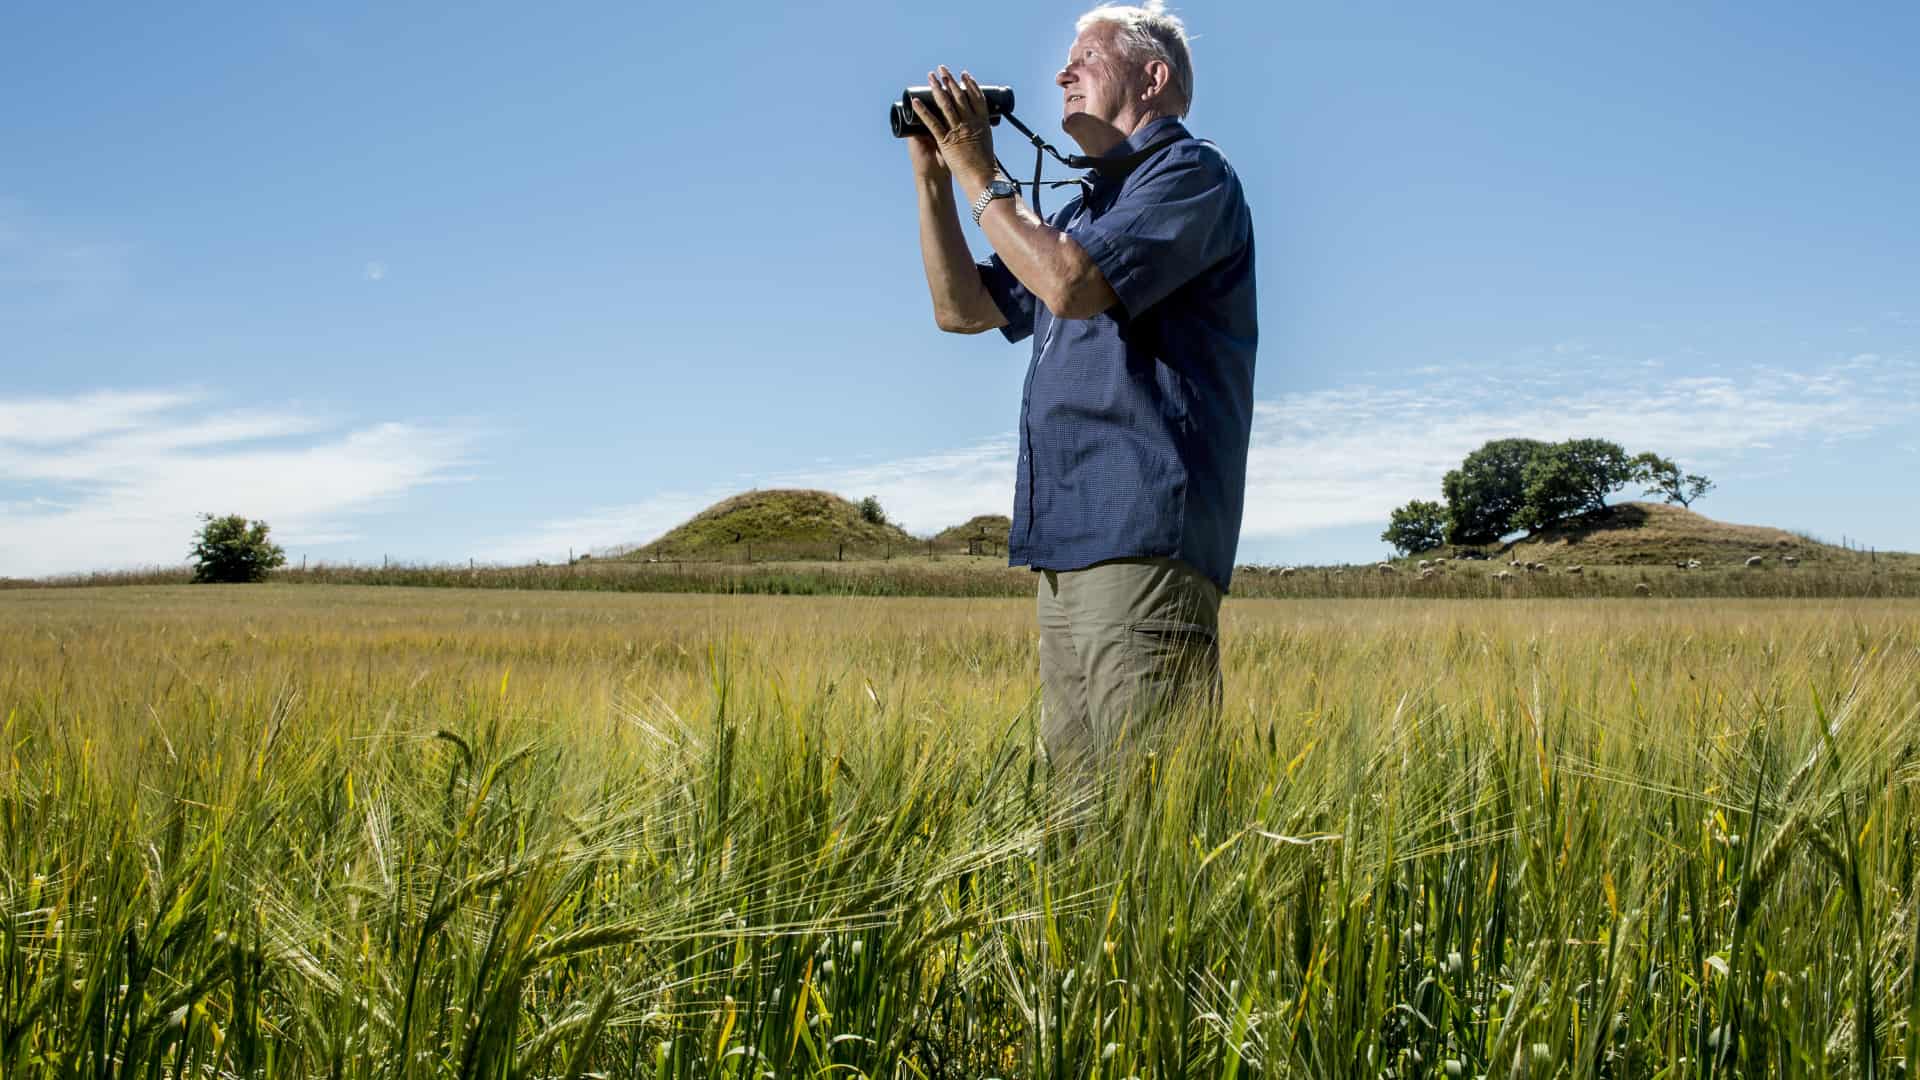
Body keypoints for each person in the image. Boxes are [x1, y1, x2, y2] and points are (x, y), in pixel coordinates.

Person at [906, 1, 1257, 772]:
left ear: (1153, 77)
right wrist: (936, 182)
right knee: (1078, 823)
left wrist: (981, 171)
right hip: (1067, 550)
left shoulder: (1190, 175)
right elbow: (961, 310)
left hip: (1141, 539)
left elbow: (1069, 284)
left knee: (1149, 817)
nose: (1062, 73)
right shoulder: (1078, 210)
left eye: (1086, 58)